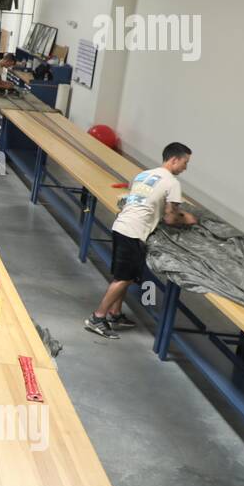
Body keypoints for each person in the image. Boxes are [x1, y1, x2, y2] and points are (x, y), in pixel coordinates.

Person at [85, 143, 198, 339]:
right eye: (185, 163)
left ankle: (115, 314)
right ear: (174, 159)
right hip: (134, 232)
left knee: (123, 275)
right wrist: (187, 219)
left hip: (121, 226)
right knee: (124, 278)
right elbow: (170, 218)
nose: (185, 168)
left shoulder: (142, 175)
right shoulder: (172, 183)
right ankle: (97, 317)